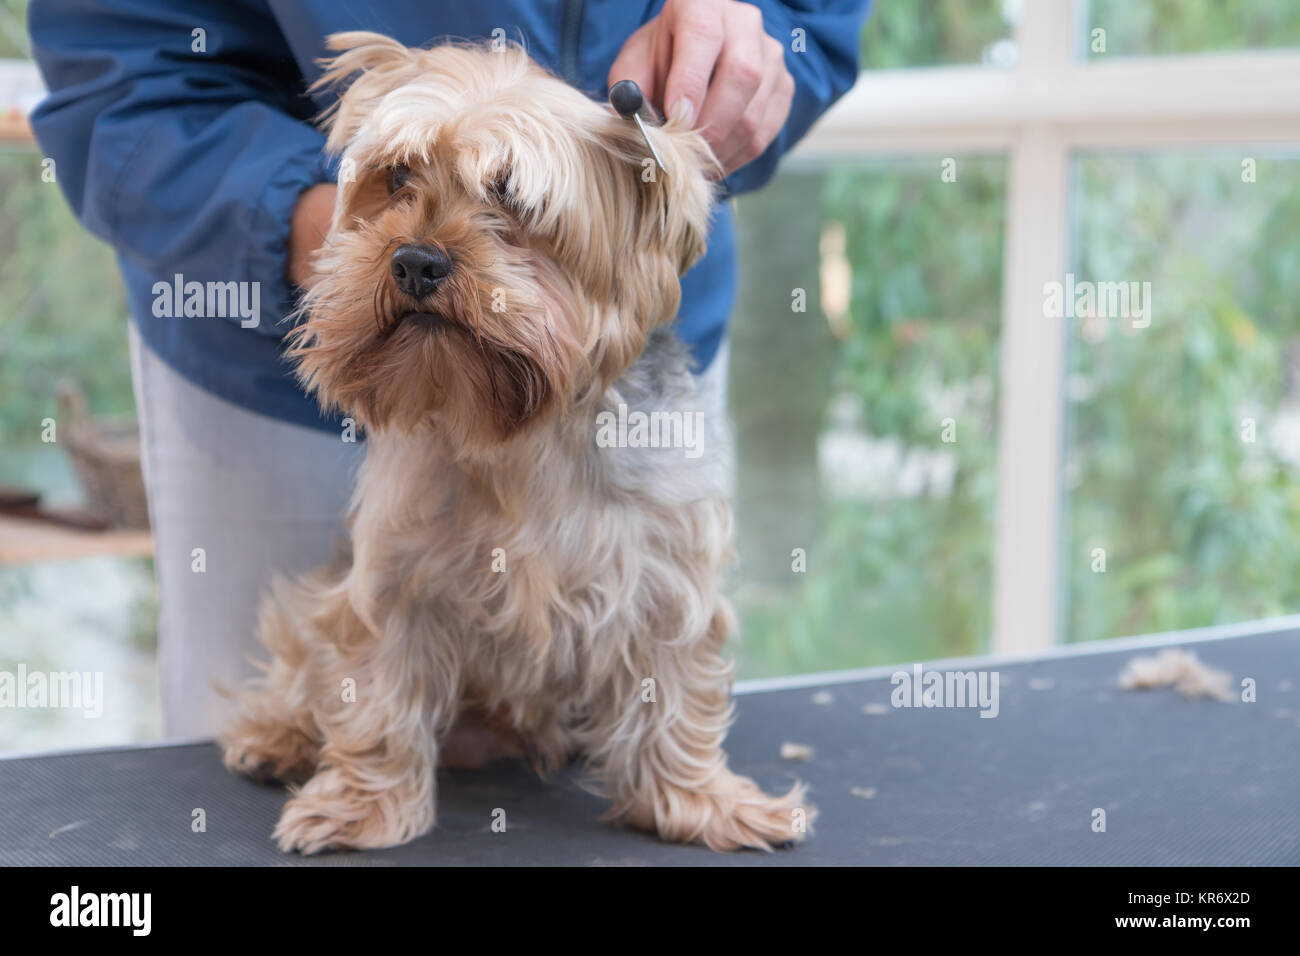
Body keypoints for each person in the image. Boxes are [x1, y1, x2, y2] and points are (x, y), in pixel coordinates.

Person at [28, 0, 868, 741]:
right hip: (271, 356)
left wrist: (758, 38)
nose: (433, 247)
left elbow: (810, 15)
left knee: (633, 673)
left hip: (632, 376)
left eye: (513, 209)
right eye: (399, 183)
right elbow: (121, 73)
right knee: (279, 752)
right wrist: (309, 223)